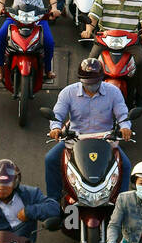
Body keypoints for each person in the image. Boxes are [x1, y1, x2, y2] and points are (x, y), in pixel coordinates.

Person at [46, 58, 132, 203]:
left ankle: (120, 205)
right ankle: (53, 202)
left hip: (106, 139)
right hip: (75, 139)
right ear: (80, 80)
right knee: (50, 159)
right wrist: (55, 128)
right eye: (87, 82)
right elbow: (57, 114)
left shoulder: (114, 92)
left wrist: (125, 127)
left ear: (102, 79)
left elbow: (123, 114)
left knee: (126, 165)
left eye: (95, 82)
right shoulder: (68, 92)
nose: (91, 86)